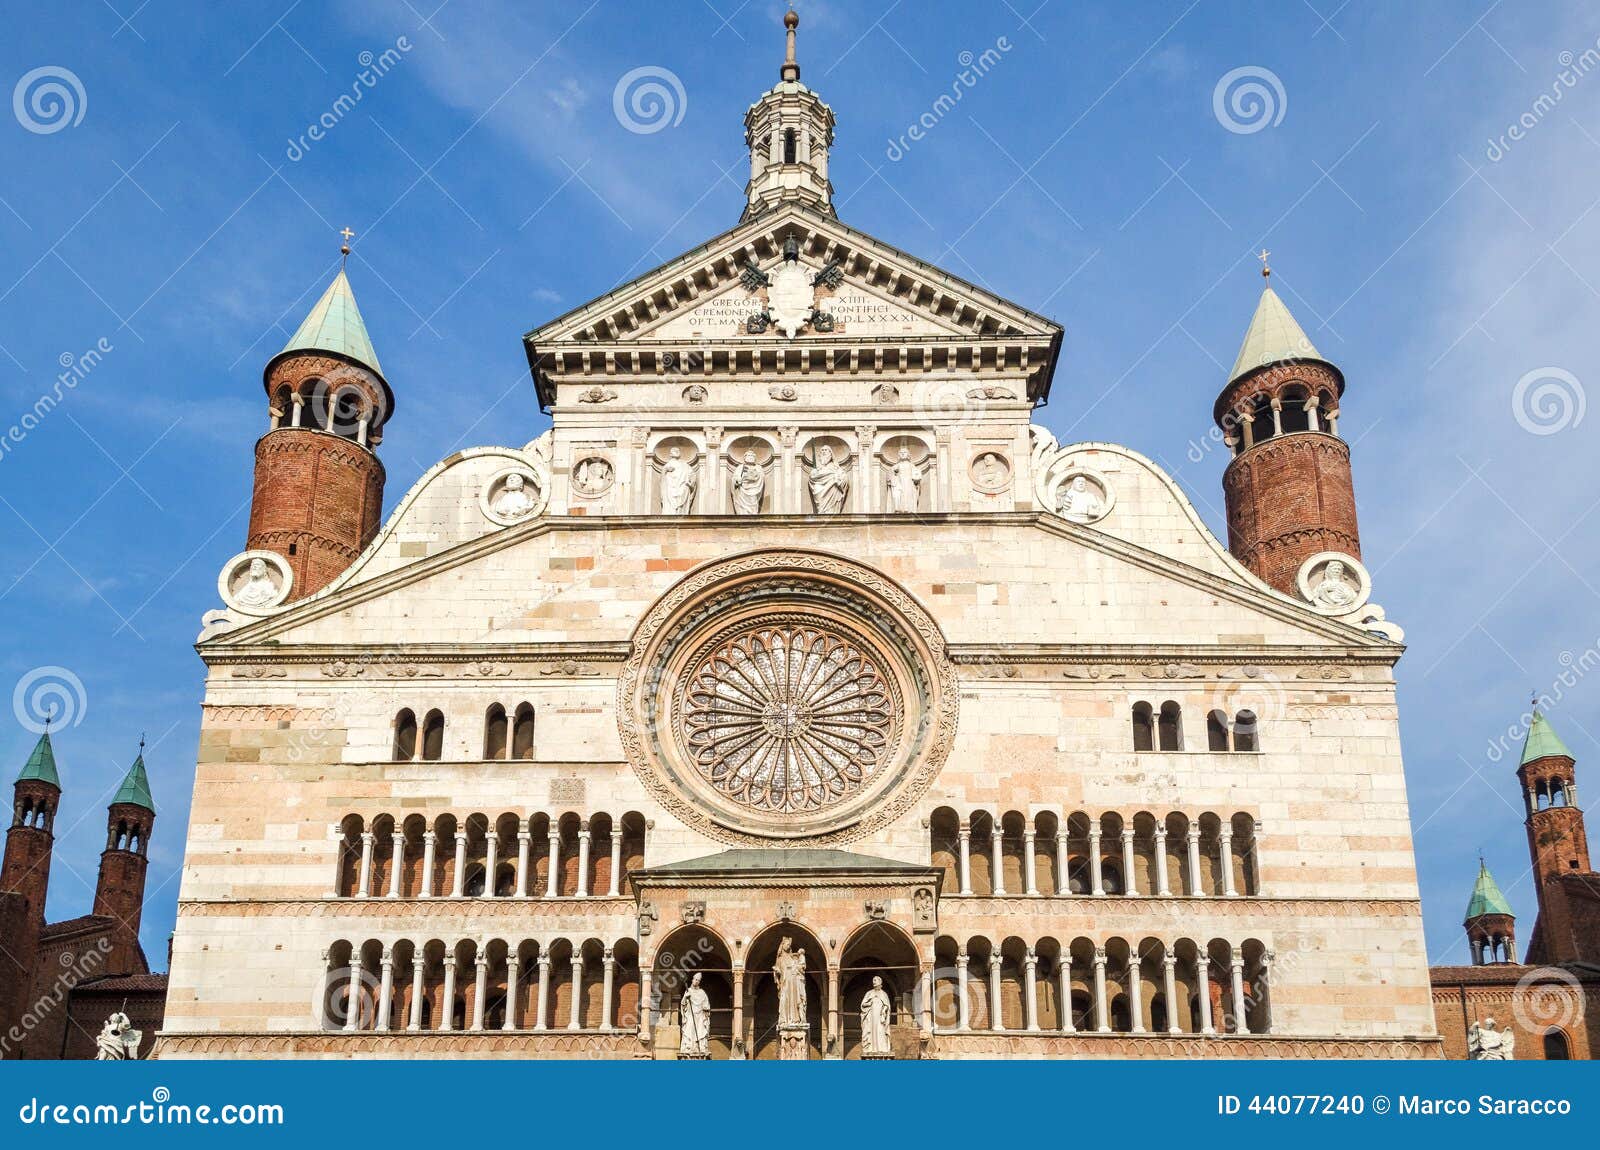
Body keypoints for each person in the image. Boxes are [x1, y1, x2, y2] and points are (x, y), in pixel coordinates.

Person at [804, 444, 849, 515]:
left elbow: (844, 478)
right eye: (822, 450)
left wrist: (838, 479)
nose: (824, 452)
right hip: (820, 490)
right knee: (817, 490)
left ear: (831, 454)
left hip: (833, 491)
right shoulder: (818, 469)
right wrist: (815, 473)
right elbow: (812, 477)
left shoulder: (836, 467)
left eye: (826, 450)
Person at [886, 446, 928, 513]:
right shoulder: (895, 466)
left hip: (909, 483)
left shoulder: (911, 465)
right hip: (899, 483)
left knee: (908, 495)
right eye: (901, 452)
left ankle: (908, 509)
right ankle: (898, 508)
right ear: (899, 455)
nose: (902, 454)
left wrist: (916, 480)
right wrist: (893, 474)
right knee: (898, 495)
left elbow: (917, 475)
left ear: (908, 454)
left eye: (904, 452)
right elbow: (889, 477)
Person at [679, 973, 711, 1056]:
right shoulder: (688, 991)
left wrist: (705, 1009)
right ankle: (688, 1047)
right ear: (692, 980)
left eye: (698, 980)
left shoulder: (702, 993)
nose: (696, 981)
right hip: (690, 1015)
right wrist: (685, 997)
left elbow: (706, 1005)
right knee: (688, 1031)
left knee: (700, 1031)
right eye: (695, 979)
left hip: (700, 1016)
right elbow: (683, 1005)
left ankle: (700, 1047)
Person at [860, 975, 892, 1056]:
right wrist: (869, 1003)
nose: (873, 982)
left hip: (880, 1016)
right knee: (871, 1031)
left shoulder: (883, 994)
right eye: (873, 980)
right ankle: (871, 1048)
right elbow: (863, 1004)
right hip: (871, 1016)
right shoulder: (869, 993)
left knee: (880, 1031)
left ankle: (882, 1048)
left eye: (875, 980)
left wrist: (884, 1010)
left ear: (880, 982)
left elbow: (887, 1005)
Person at [660, 446, 697, 514]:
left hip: (683, 487)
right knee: (669, 503)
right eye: (674, 450)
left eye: (678, 451)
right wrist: (665, 470)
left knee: (683, 492)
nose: (677, 451)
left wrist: (690, 483)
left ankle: (681, 513)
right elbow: (662, 479)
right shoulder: (667, 465)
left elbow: (692, 475)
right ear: (670, 454)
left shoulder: (685, 465)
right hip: (670, 487)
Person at [730, 450, 765, 515]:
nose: (750, 457)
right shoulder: (740, 467)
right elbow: (735, 477)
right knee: (742, 503)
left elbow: (762, 477)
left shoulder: (758, 467)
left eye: (752, 456)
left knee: (753, 500)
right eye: (749, 455)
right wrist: (738, 480)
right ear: (745, 458)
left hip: (754, 488)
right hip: (742, 489)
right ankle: (742, 513)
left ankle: (753, 513)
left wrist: (755, 476)